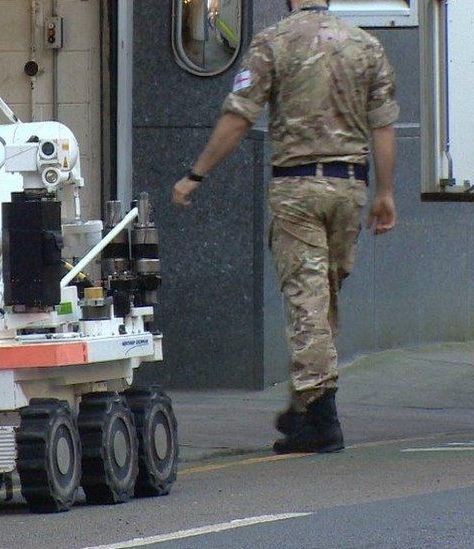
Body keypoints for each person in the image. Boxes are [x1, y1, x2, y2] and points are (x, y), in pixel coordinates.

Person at [171, 0, 399, 454]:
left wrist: (196, 173)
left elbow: (239, 118)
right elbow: (384, 126)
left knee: (306, 300)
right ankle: (301, 408)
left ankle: (320, 418)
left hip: (297, 189)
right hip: (349, 188)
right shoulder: (366, 45)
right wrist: (385, 193)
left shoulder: (272, 42)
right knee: (324, 298)